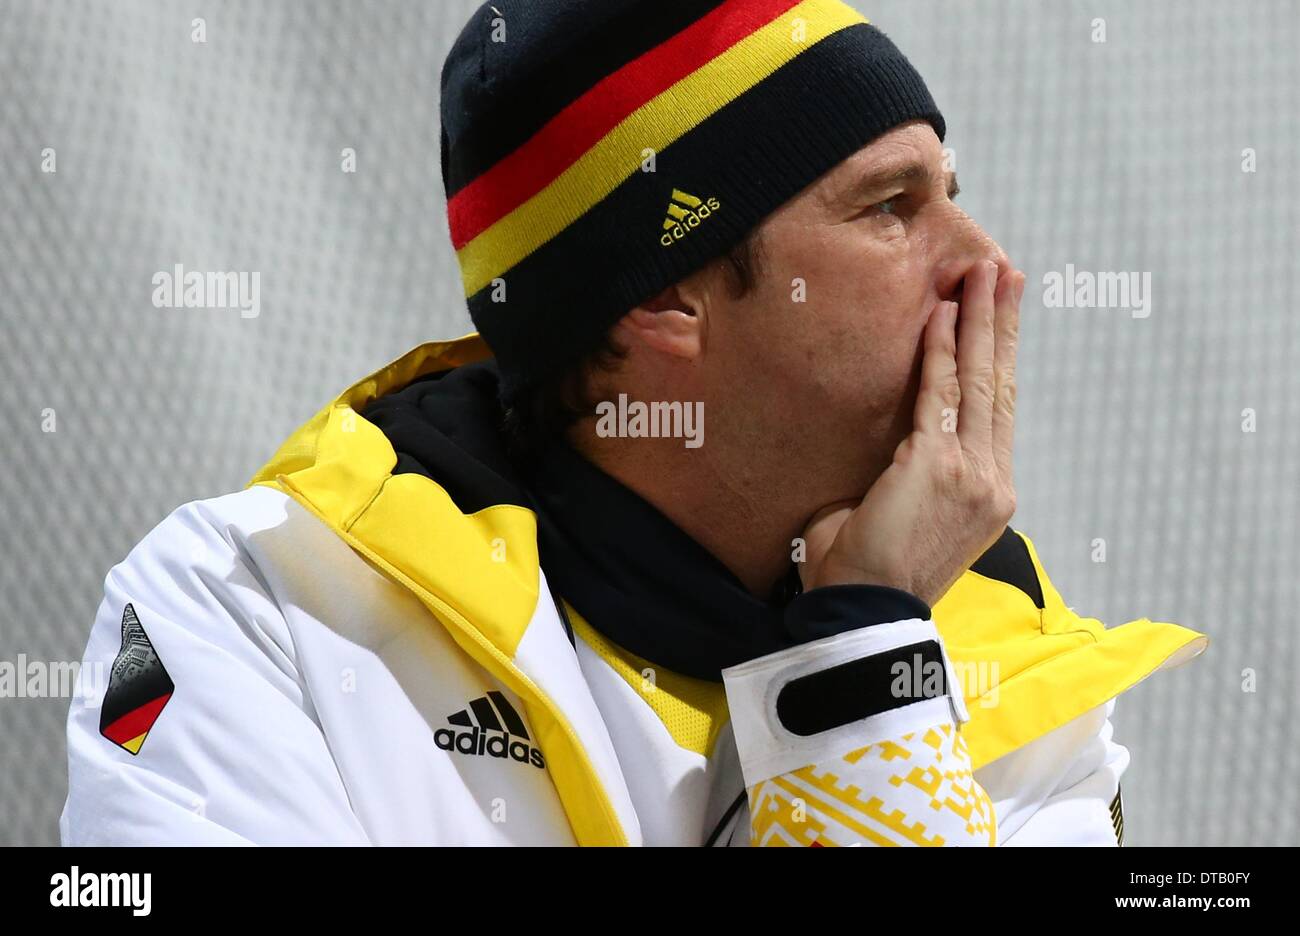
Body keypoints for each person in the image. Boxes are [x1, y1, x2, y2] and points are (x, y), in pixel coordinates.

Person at [61, 0, 1207, 846]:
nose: (985, 266)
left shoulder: (1010, 666)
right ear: (664, 297)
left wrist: (867, 652)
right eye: (891, 207)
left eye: (949, 192)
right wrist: (860, 674)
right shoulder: (243, 609)